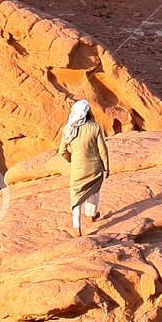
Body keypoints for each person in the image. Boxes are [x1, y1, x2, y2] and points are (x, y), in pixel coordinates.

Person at [58, 98, 109, 236]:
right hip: (95, 168)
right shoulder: (94, 127)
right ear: (87, 112)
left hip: (77, 169)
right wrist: (106, 166)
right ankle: (92, 214)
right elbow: (102, 149)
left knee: (76, 197)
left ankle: (77, 227)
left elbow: (62, 151)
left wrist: (72, 159)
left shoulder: (68, 129)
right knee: (94, 191)